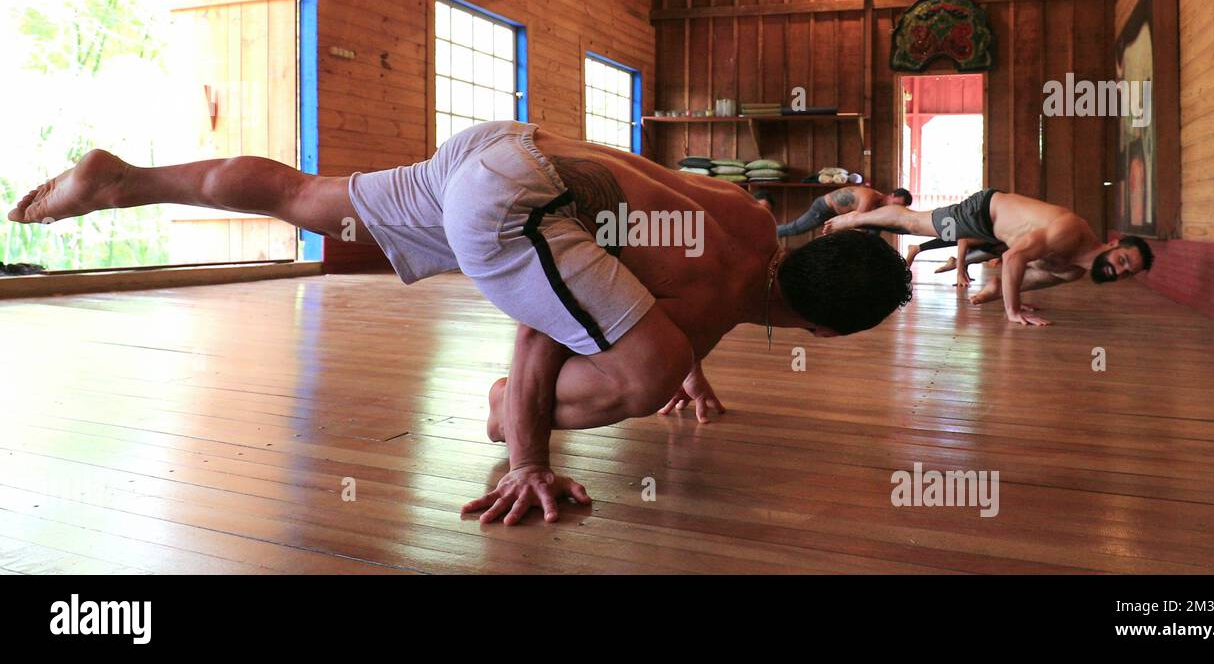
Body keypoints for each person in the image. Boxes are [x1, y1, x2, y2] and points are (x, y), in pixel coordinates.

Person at [8, 120, 912, 525]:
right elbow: (543, 322)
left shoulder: (751, 221)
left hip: (507, 149)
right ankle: (508, 420)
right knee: (637, 374)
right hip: (515, 207)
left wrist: (688, 360)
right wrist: (526, 457)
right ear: (827, 334)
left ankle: (126, 180)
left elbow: (660, 262)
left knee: (301, 195)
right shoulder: (687, 327)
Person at [823, 188, 1153, 325]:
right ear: (1113, 244)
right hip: (984, 212)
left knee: (916, 227)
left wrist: (1001, 294)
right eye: (1122, 261)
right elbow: (1014, 259)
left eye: (1127, 273)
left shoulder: (1073, 271)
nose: (1117, 272)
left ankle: (862, 220)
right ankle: (852, 219)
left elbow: (1017, 273)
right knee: (914, 223)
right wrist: (1013, 311)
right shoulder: (1070, 233)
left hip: (998, 236)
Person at [776, 186, 912, 238]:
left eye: (899, 207)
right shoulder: (871, 196)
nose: (895, 208)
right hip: (823, 208)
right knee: (794, 229)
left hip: (836, 213)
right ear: (891, 195)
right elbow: (856, 221)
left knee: (874, 230)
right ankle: (767, 233)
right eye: (896, 204)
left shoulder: (879, 207)